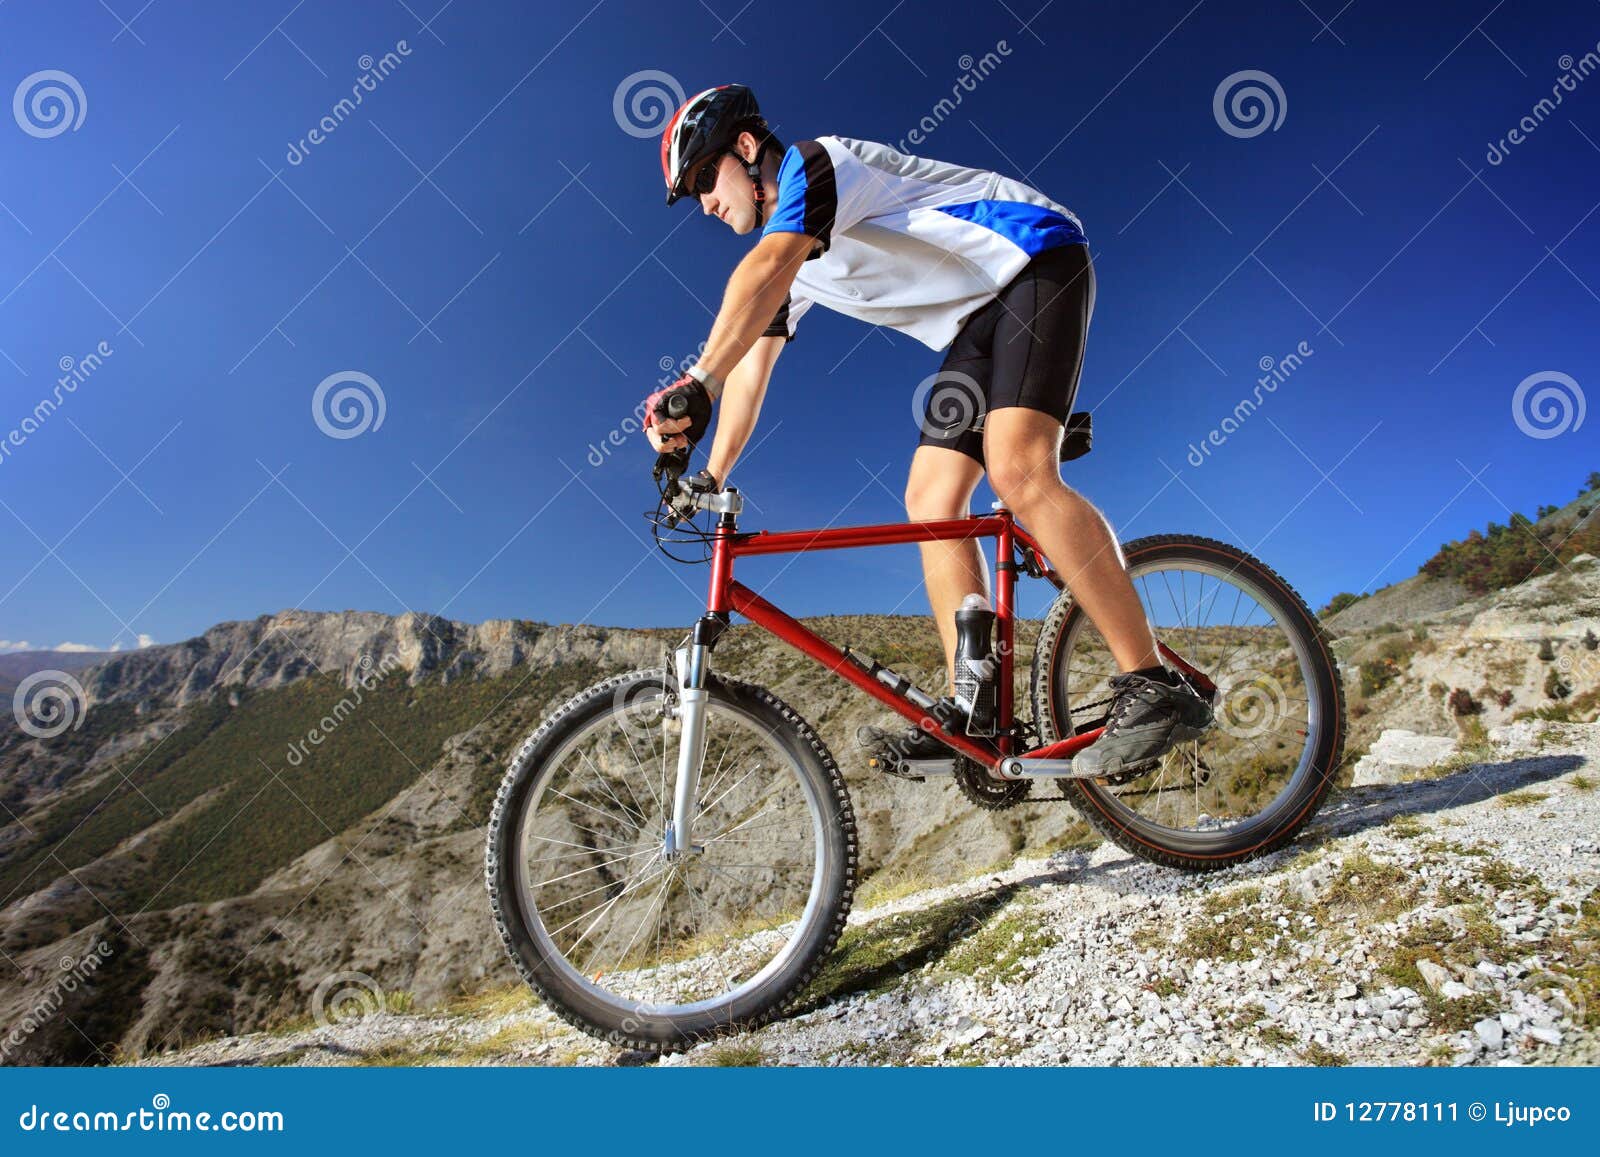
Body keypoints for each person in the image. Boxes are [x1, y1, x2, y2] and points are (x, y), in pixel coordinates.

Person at [642, 84, 1211, 777]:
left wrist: (696, 378)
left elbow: (759, 274)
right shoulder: (791, 263)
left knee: (1019, 470)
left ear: (746, 148)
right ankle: (976, 709)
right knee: (931, 500)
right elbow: (751, 373)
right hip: (979, 323)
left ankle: (1153, 684)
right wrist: (709, 474)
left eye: (705, 177)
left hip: (1036, 261)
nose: (703, 201)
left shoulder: (813, 170)